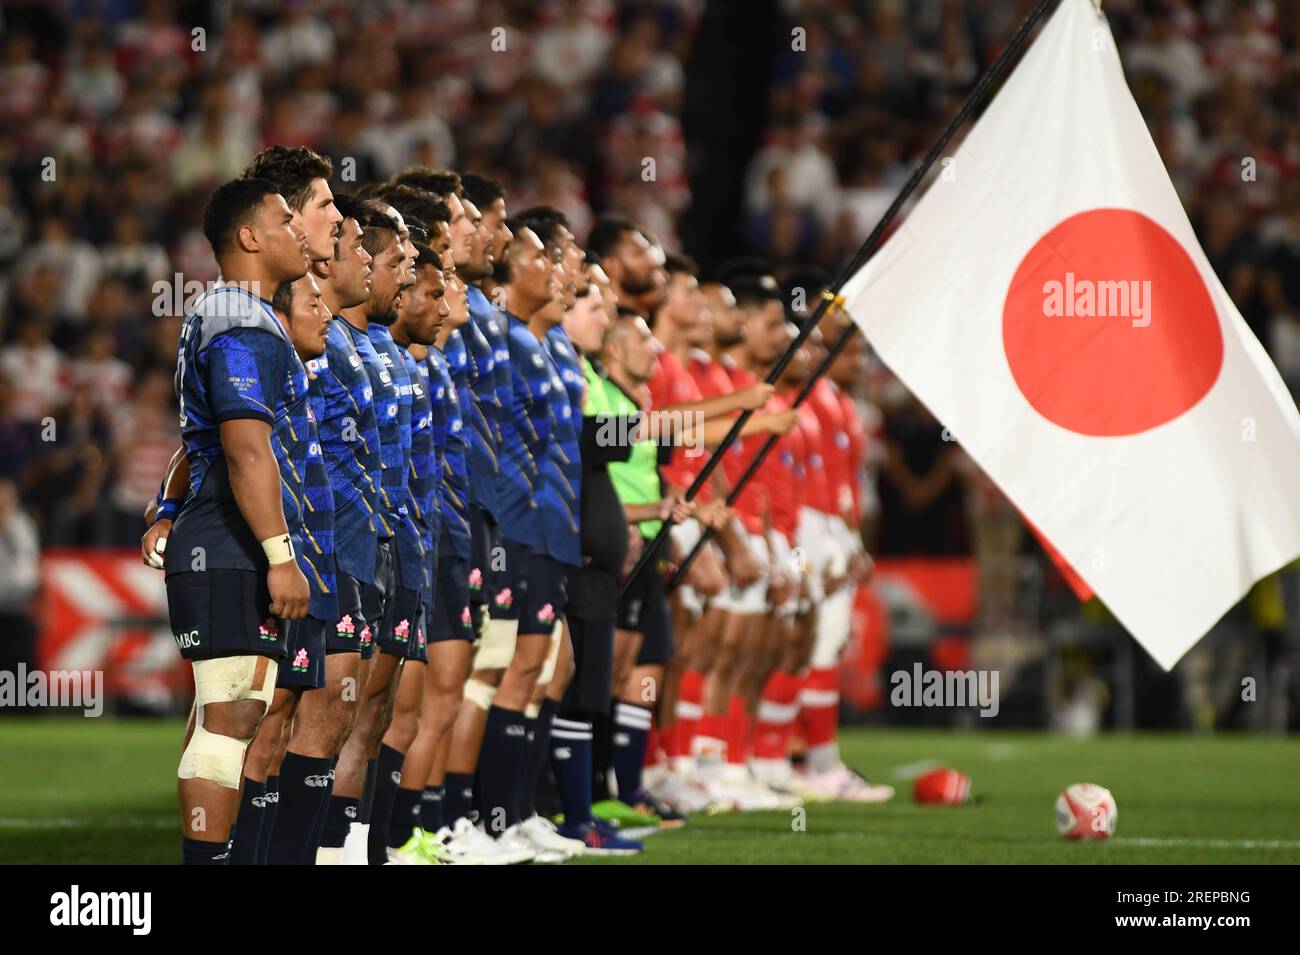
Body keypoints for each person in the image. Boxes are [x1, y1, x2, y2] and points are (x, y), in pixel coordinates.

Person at [162, 177, 311, 864]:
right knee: (229, 716)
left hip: (224, 539)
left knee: (235, 713)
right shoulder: (241, 318)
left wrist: (165, 507)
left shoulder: (226, 312)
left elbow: (200, 437)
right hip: (230, 544)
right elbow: (245, 447)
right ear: (250, 237)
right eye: (287, 219)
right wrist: (280, 553)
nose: (300, 230)